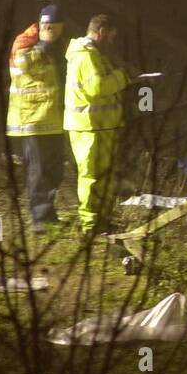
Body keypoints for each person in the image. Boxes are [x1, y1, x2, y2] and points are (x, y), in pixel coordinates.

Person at [64, 14, 130, 235]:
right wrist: (123, 77)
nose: (113, 40)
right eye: (111, 36)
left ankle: (102, 219)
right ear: (102, 32)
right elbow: (98, 88)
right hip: (87, 127)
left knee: (104, 176)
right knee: (91, 176)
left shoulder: (95, 55)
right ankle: (91, 224)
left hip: (100, 125)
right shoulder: (85, 56)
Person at [7, 5, 67, 232]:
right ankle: (39, 218)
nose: (51, 30)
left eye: (55, 27)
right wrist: (45, 44)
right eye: (47, 26)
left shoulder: (59, 45)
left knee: (55, 168)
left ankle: (49, 213)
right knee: (38, 170)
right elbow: (24, 64)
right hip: (32, 118)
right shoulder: (24, 41)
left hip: (53, 118)